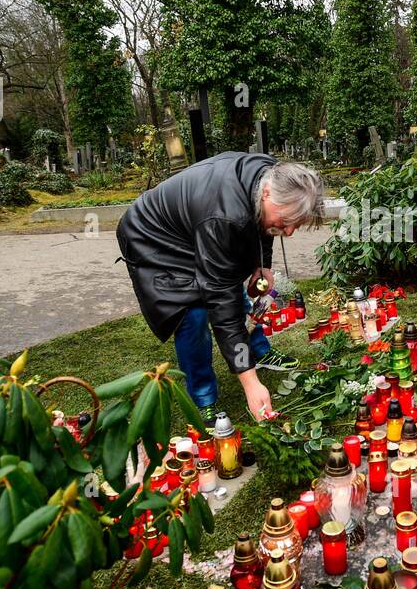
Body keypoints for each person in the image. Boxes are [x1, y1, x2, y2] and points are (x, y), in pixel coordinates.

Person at [117, 153, 325, 422]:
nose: (289, 232)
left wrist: (262, 265)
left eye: (296, 224)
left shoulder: (274, 176)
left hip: (197, 225)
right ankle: (203, 397)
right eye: (286, 222)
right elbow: (222, 303)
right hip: (152, 237)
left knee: (227, 280)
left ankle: (258, 351)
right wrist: (250, 383)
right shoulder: (225, 218)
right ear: (265, 193)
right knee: (193, 313)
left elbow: (266, 228)